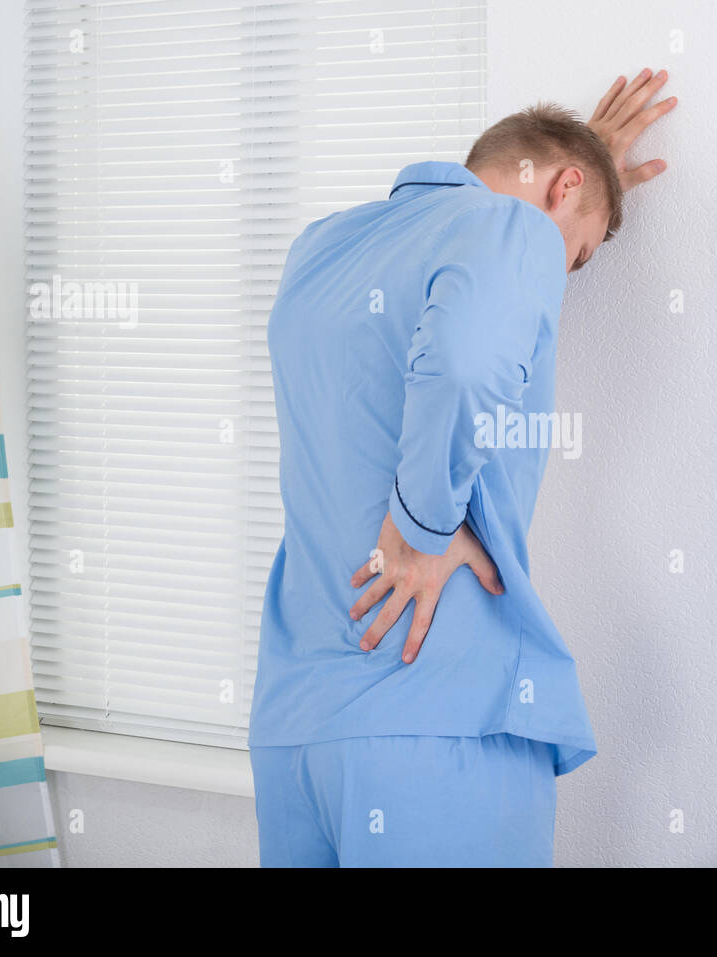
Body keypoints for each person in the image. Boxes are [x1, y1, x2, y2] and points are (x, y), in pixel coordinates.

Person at [247, 69, 677, 867]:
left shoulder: (321, 248)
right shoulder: (511, 231)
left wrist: (587, 175)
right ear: (561, 188)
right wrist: (419, 527)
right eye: (574, 257)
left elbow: (442, 325)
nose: (560, 273)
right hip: (436, 707)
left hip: (297, 726)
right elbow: (470, 360)